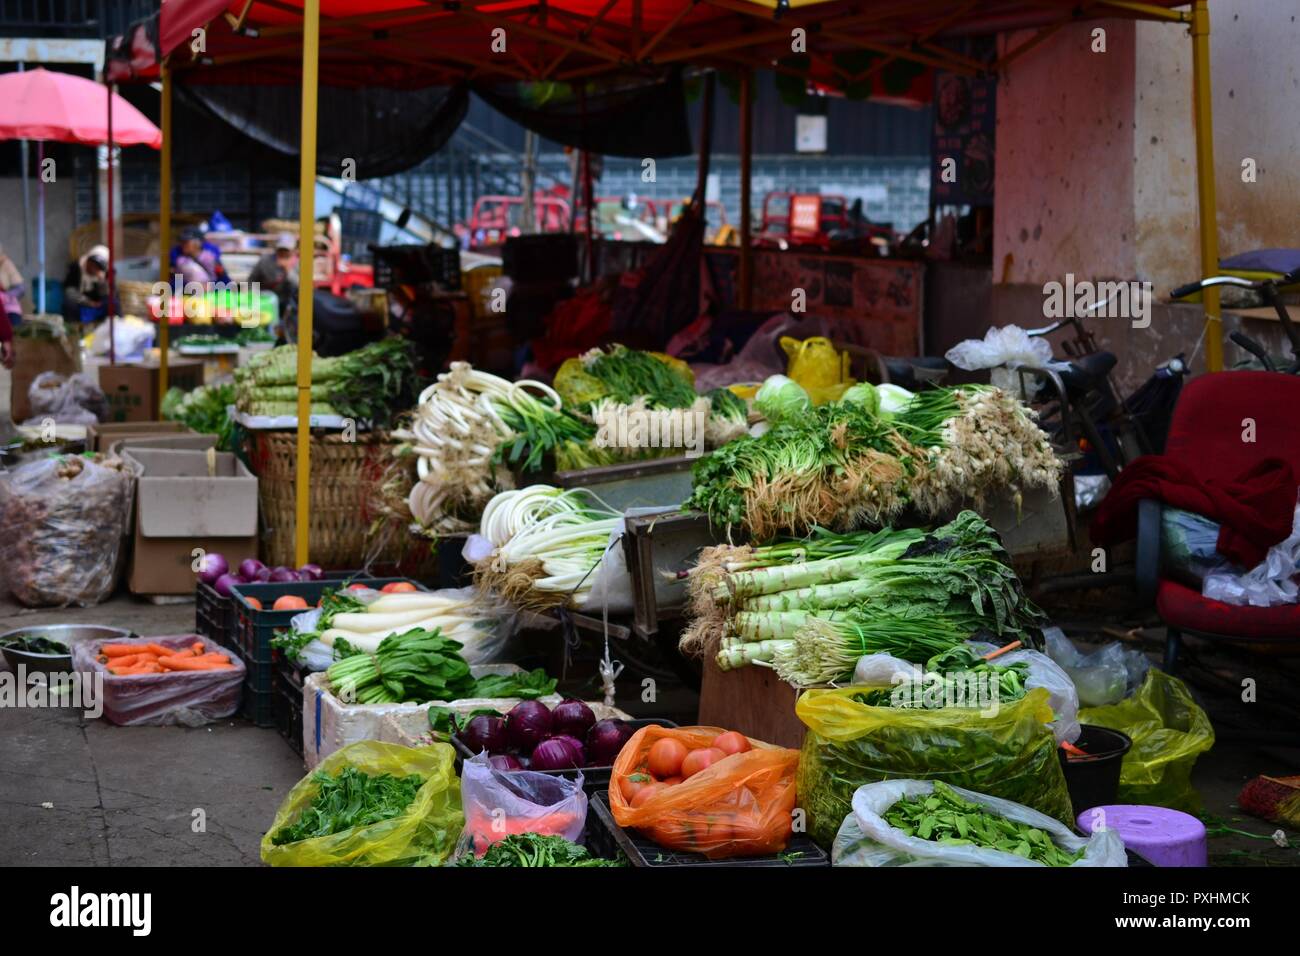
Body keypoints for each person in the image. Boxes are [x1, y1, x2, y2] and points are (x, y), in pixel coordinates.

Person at [247, 234, 298, 317]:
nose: (283, 253)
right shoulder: (265, 261)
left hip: (287, 301)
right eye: (281, 250)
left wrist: (288, 271)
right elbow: (251, 280)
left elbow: (299, 286)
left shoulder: (297, 264)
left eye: (286, 250)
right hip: (265, 299)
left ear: (293, 251)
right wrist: (255, 297)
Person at [62, 245, 111, 326]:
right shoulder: (76, 267)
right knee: (69, 304)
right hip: (80, 303)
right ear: (88, 259)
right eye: (92, 263)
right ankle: (74, 327)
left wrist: (101, 281)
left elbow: (106, 295)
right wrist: (88, 302)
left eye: (97, 266)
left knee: (111, 304)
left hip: (97, 306)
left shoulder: (104, 274)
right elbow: (69, 291)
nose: (93, 268)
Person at [0, 246, 24, 369]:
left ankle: (11, 358)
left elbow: (20, 288)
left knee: (15, 328)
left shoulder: (6, 264)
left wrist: (7, 297)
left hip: (9, 306)